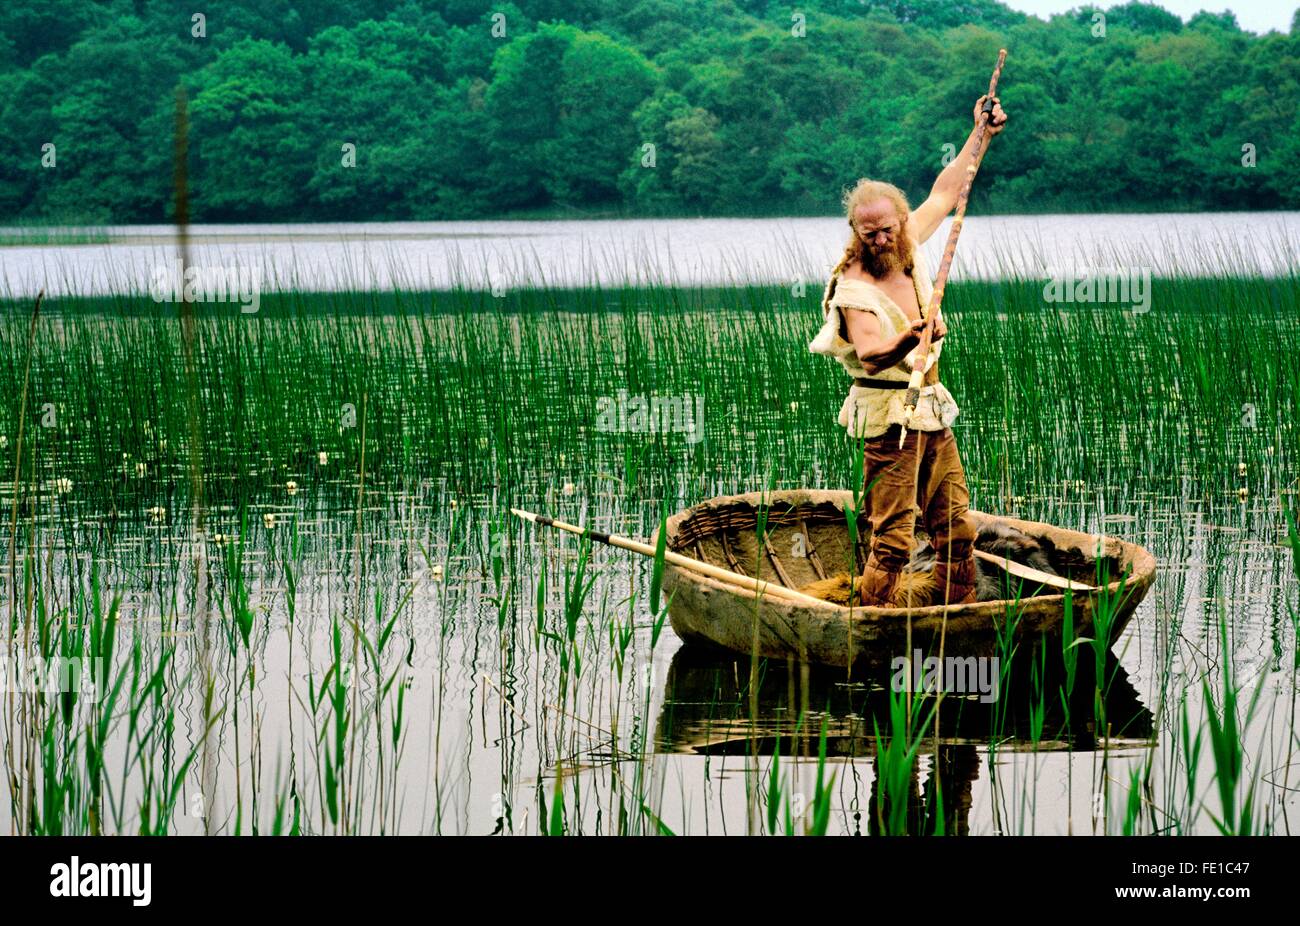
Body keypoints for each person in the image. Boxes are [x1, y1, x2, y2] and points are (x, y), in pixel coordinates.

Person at [808, 94, 1008, 608]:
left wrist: (979, 135)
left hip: (930, 411)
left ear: (901, 221)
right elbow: (873, 354)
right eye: (868, 232)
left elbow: (947, 189)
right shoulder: (851, 283)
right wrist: (911, 337)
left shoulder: (909, 242)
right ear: (856, 231)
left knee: (956, 527)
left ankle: (956, 602)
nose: (879, 240)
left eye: (887, 229)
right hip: (886, 416)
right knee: (895, 540)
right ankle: (871, 615)